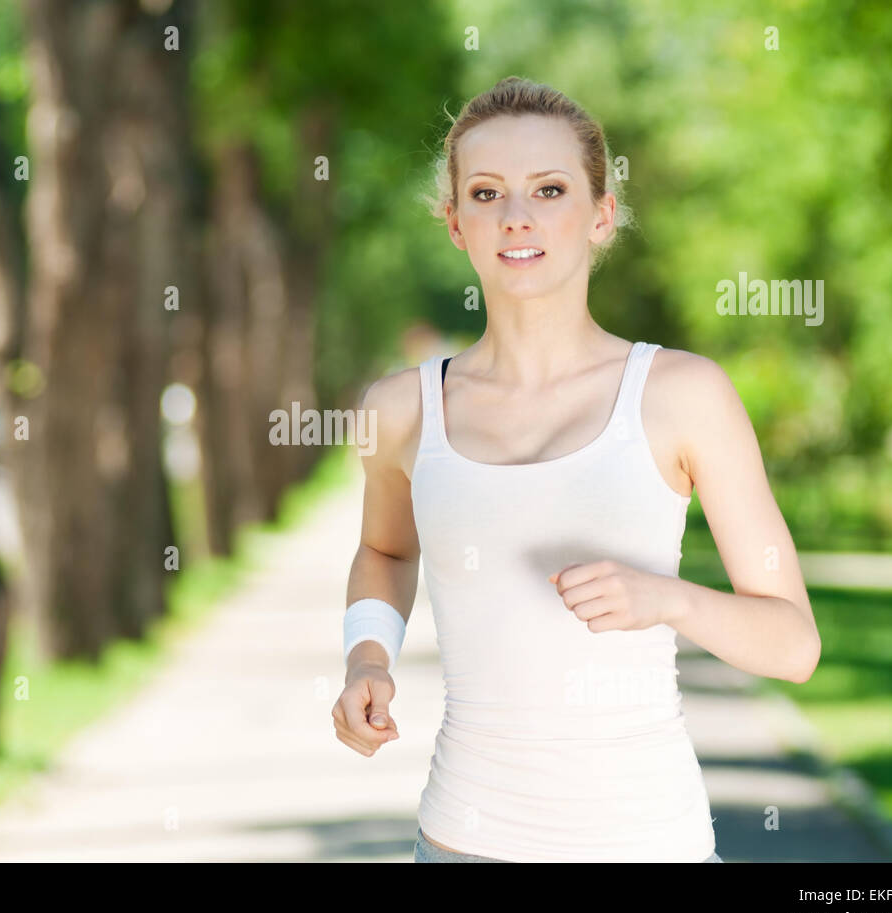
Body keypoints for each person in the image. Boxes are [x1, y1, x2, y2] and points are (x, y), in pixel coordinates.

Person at [332, 77, 821, 863]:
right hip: (462, 837)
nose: (516, 216)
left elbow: (793, 644)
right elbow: (386, 550)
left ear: (602, 214)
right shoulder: (402, 409)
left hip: (648, 842)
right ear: (455, 223)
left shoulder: (683, 396)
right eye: (486, 193)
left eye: (549, 189)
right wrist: (367, 656)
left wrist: (667, 598)